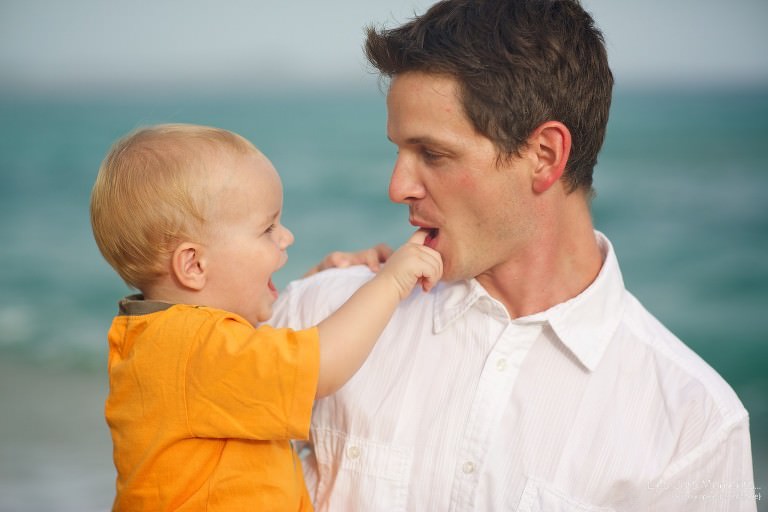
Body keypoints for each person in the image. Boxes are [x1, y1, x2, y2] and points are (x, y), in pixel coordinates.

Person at [270, 1, 757, 510]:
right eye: (399, 152)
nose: (398, 187)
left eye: (432, 154)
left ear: (544, 156)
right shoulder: (315, 319)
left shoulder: (696, 427)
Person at [89, 123, 442, 511]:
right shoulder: (195, 350)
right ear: (193, 264)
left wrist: (320, 281)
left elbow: (254, 353)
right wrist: (391, 282)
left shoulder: (163, 340)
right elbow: (321, 366)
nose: (286, 236)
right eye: (267, 228)